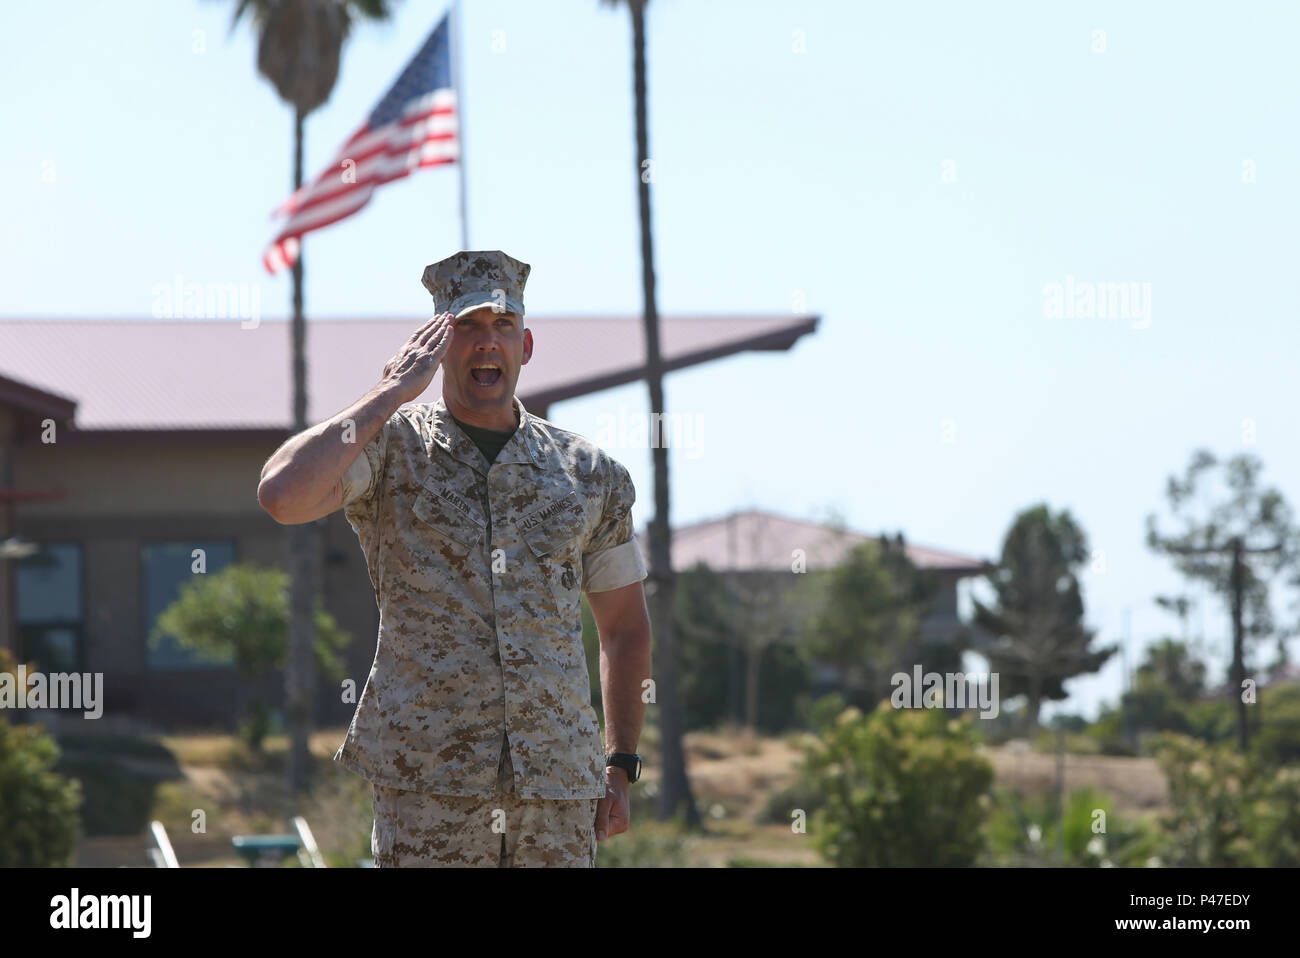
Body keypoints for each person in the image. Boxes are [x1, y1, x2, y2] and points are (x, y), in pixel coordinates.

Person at [257, 249, 651, 867]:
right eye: (465, 327)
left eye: (500, 327)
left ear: (525, 345)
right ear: (438, 345)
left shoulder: (588, 474)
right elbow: (283, 495)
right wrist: (387, 392)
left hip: (555, 792)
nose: (484, 344)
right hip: (428, 787)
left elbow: (624, 630)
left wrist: (620, 763)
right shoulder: (388, 449)